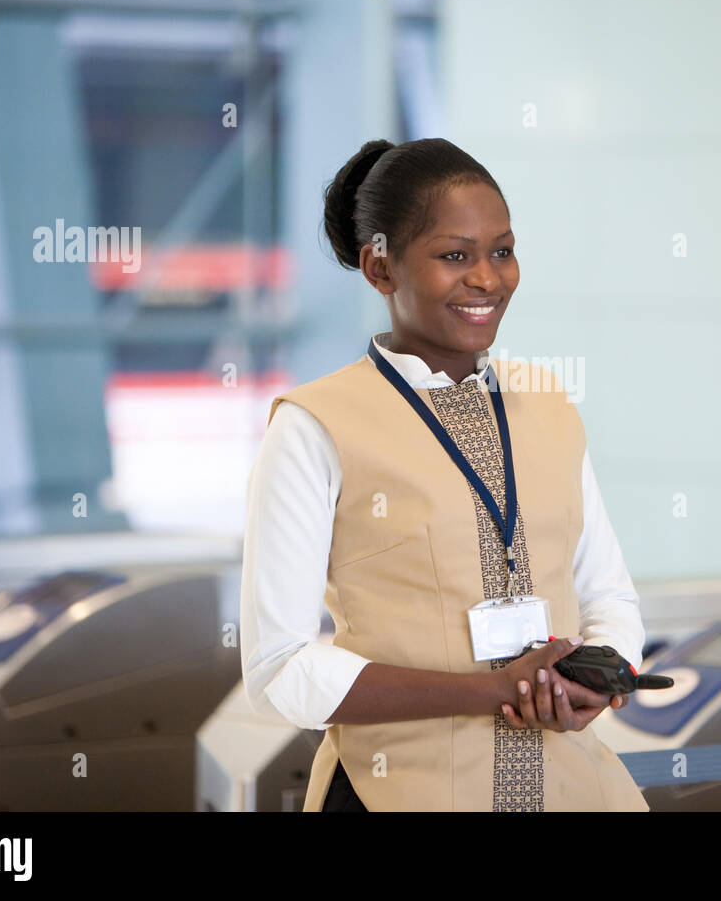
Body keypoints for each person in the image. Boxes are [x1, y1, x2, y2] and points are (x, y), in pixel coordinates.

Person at [240, 137, 650, 812]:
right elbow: (278, 667)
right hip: (396, 791)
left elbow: (606, 593)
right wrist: (490, 691)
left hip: (570, 787)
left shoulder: (548, 406)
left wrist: (599, 678)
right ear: (381, 267)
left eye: (502, 251)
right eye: (454, 256)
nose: (487, 278)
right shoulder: (315, 426)